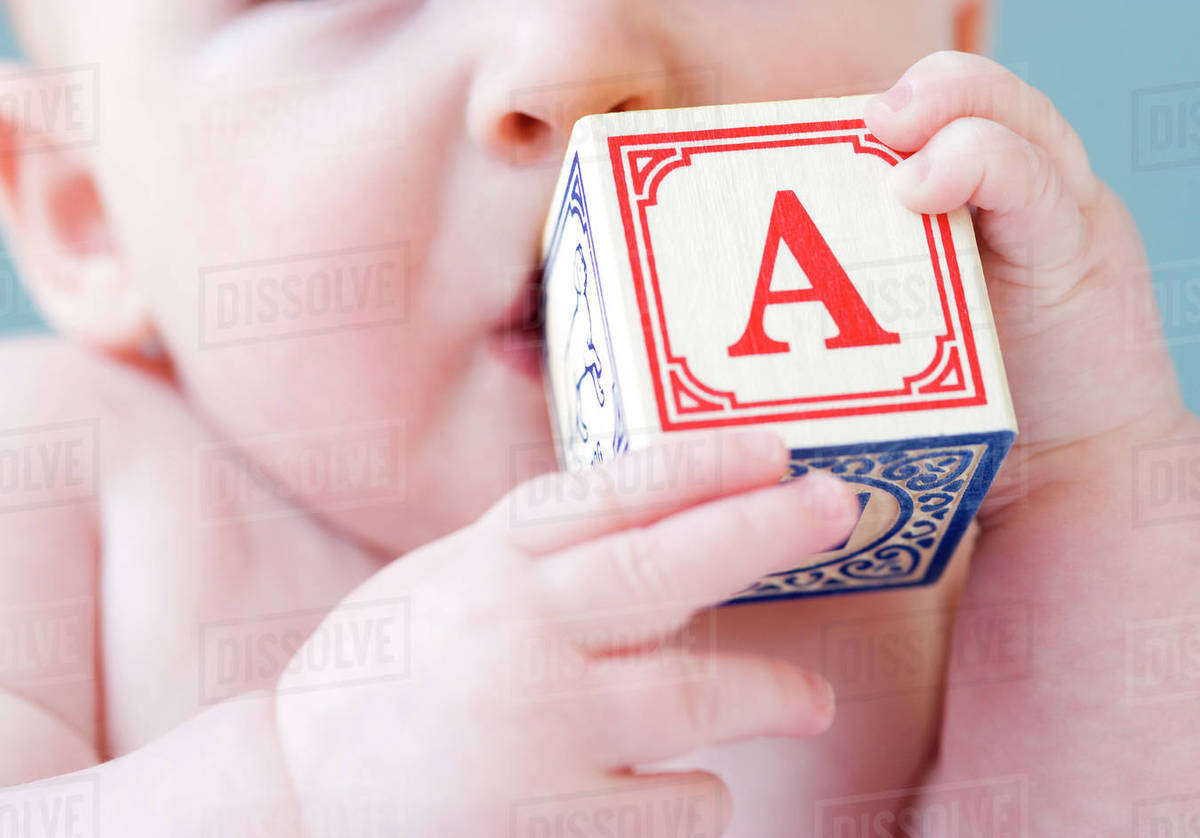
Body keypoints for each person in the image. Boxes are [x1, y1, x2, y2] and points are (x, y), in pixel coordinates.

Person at [0, 0, 1193, 834]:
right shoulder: (65, 486)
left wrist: (1096, 486)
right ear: (83, 211)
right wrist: (299, 795)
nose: (571, 57)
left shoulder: (921, 526)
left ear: (954, 33)